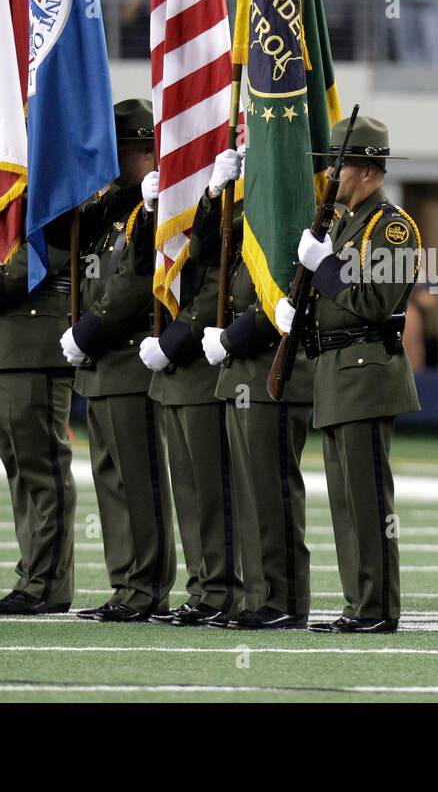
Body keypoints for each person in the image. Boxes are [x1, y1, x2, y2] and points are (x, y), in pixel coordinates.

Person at [277, 115, 421, 633]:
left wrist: (325, 269)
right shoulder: (344, 223)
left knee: (366, 498)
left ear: (364, 170)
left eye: (336, 168)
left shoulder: (392, 227)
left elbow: (375, 299)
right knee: (343, 500)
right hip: (336, 371)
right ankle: (359, 604)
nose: (328, 178)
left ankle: (378, 608)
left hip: (366, 371)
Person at [59, 100, 177, 622]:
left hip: (128, 359)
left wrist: (90, 328)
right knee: (111, 479)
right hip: (102, 363)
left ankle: (147, 585)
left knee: (139, 478)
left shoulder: (153, 210)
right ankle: (124, 581)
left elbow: (134, 284)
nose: (110, 162)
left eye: (122, 152)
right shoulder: (113, 209)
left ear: (147, 153)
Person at [200, 169, 316, 630]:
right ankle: (259, 596)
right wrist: (213, 195)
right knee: (250, 496)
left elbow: (285, 295)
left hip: (272, 368)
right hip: (240, 373)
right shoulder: (250, 205)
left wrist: (231, 338)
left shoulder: (292, 209)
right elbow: (205, 253)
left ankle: (282, 599)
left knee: (272, 495)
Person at [0, 179, 77, 616]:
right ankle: (34, 574)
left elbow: (49, 248)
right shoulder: (6, 168)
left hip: (32, 340)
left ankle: (46, 583)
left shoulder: (48, 165)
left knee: (40, 470)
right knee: (22, 472)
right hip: (4, 343)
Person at [138, 148, 245, 627]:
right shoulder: (218, 200)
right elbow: (197, 250)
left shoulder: (254, 207)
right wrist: (210, 195)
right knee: (189, 489)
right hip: (182, 364)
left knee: (209, 488)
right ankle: (203, 585)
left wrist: (175, 340)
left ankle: (220, 588)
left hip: (205, 362)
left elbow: (217, 277)